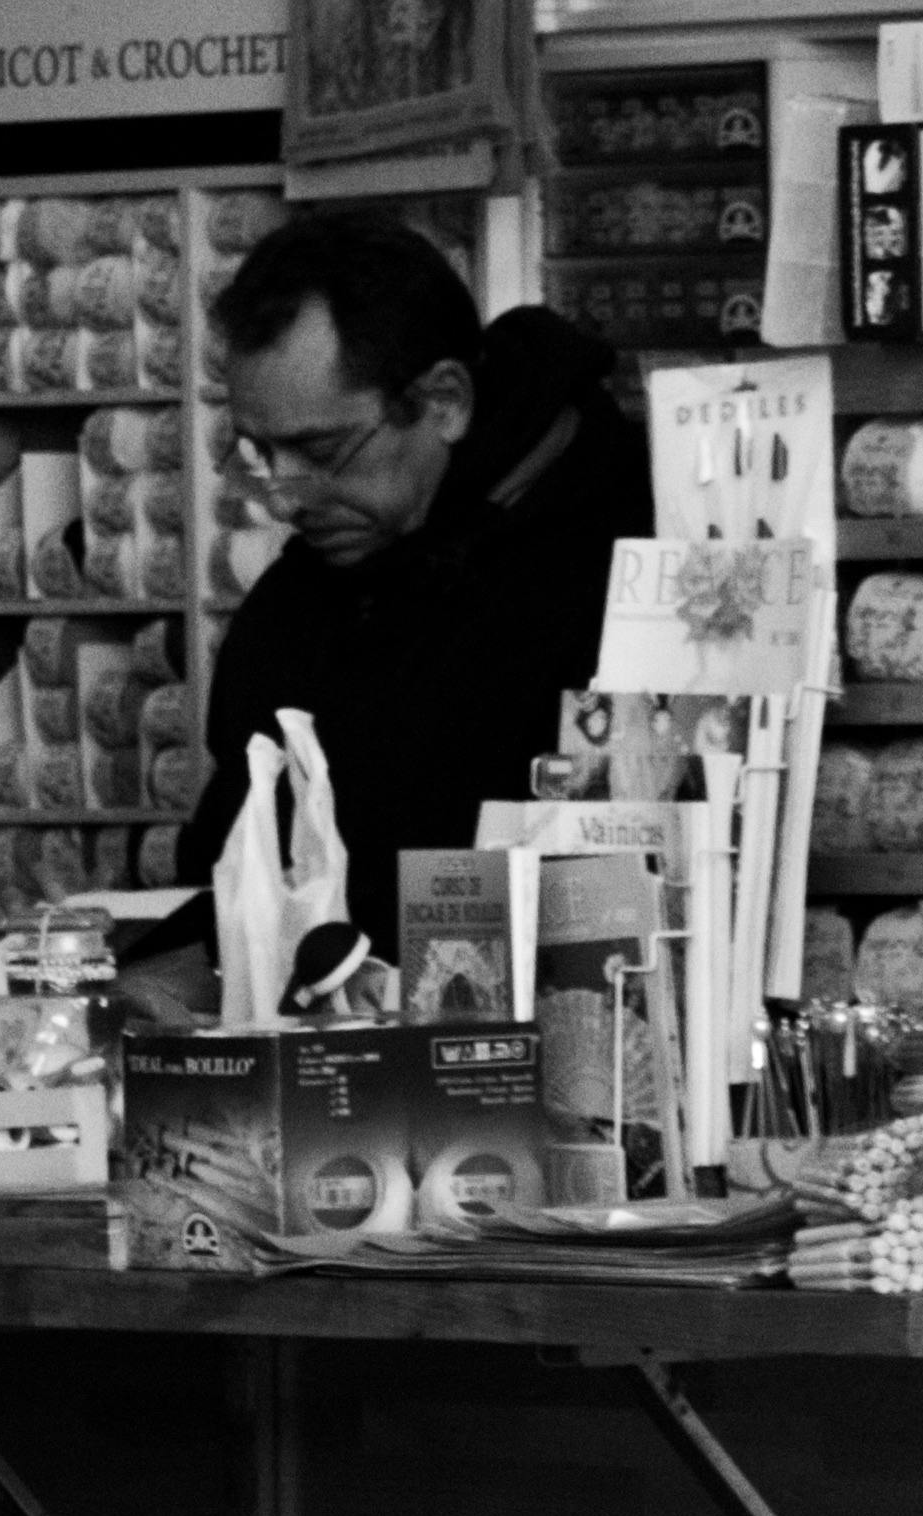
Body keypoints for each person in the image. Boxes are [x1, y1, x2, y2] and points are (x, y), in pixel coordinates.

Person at [162, 212, 648, 965]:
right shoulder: (292, 612)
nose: (286, 496)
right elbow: (226, 877)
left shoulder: (626, 571)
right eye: (261, 451)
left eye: (322, 450)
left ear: (445, 400)